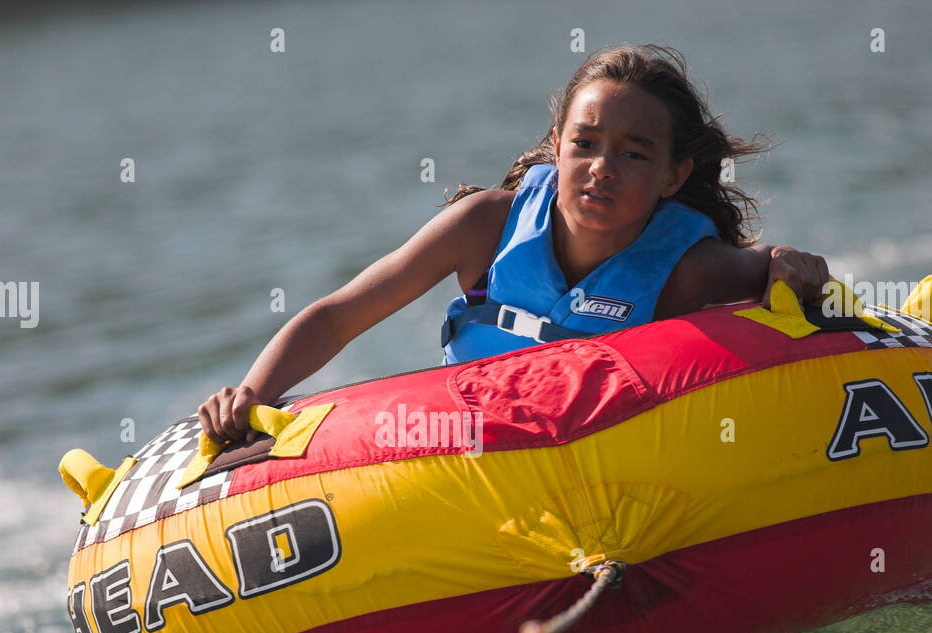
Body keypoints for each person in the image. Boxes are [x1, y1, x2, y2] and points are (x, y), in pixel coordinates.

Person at [199, 43, 829, 444]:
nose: (602, 167)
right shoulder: (484, 228)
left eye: (634, 154)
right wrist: (251, 394)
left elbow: (775, 272)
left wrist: (791, 266)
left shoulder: (687, 270)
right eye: (584, 144)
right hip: (465, 451)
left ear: (672, 176)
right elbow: (337, 319)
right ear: (556, 145)